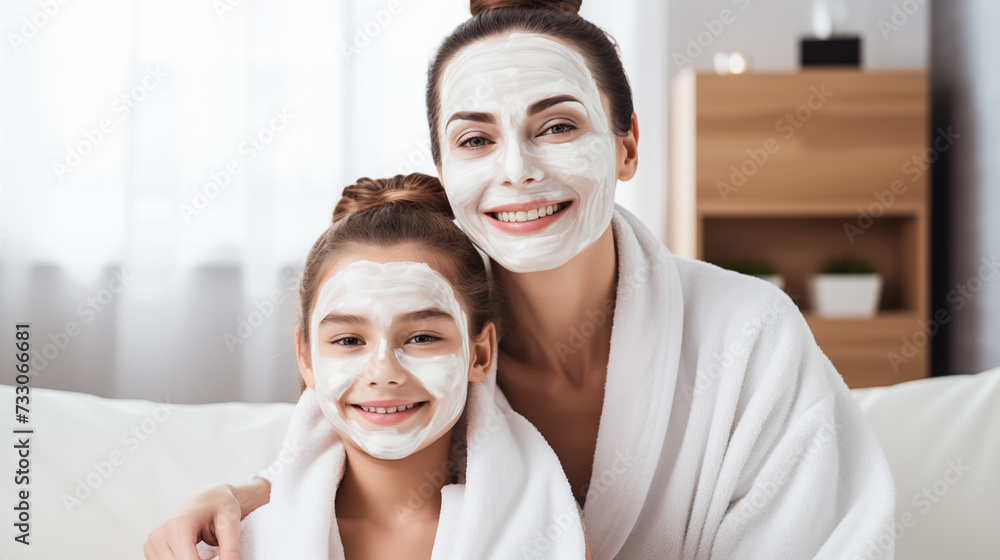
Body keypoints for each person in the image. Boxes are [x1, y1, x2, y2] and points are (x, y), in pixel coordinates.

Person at [148, 1, 896, 559]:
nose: (517, 170)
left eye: (559, 126)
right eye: (476, 138)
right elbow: (343, 465)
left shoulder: (748, 334)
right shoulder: (425, 334)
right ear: (446, 168)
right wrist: (242, 498)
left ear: (626, 145)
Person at [162, 173, 588, 560]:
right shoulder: (248, 545)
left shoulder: (547, 538)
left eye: (422, 337)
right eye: (349, 340)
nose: (384, 371)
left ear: (479, 355)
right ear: (306, 359)